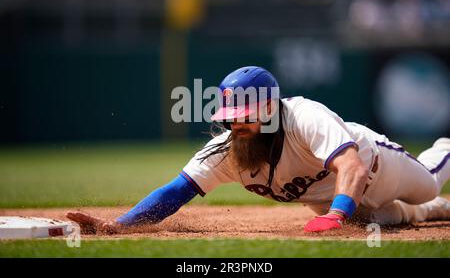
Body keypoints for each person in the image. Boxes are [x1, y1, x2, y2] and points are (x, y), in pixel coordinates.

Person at [67, 66, 450, 234]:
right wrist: (117, 226)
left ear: (269, 109)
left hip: (376, 166)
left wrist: (335, 213)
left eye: (244, 115)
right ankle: (431, 213)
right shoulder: (229, 150)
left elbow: (351, 166)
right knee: (376, 221)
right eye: (230, 117)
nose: (236, 125)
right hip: (330, 197)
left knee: (430, 184)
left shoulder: (304, 117)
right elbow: (176, 192)